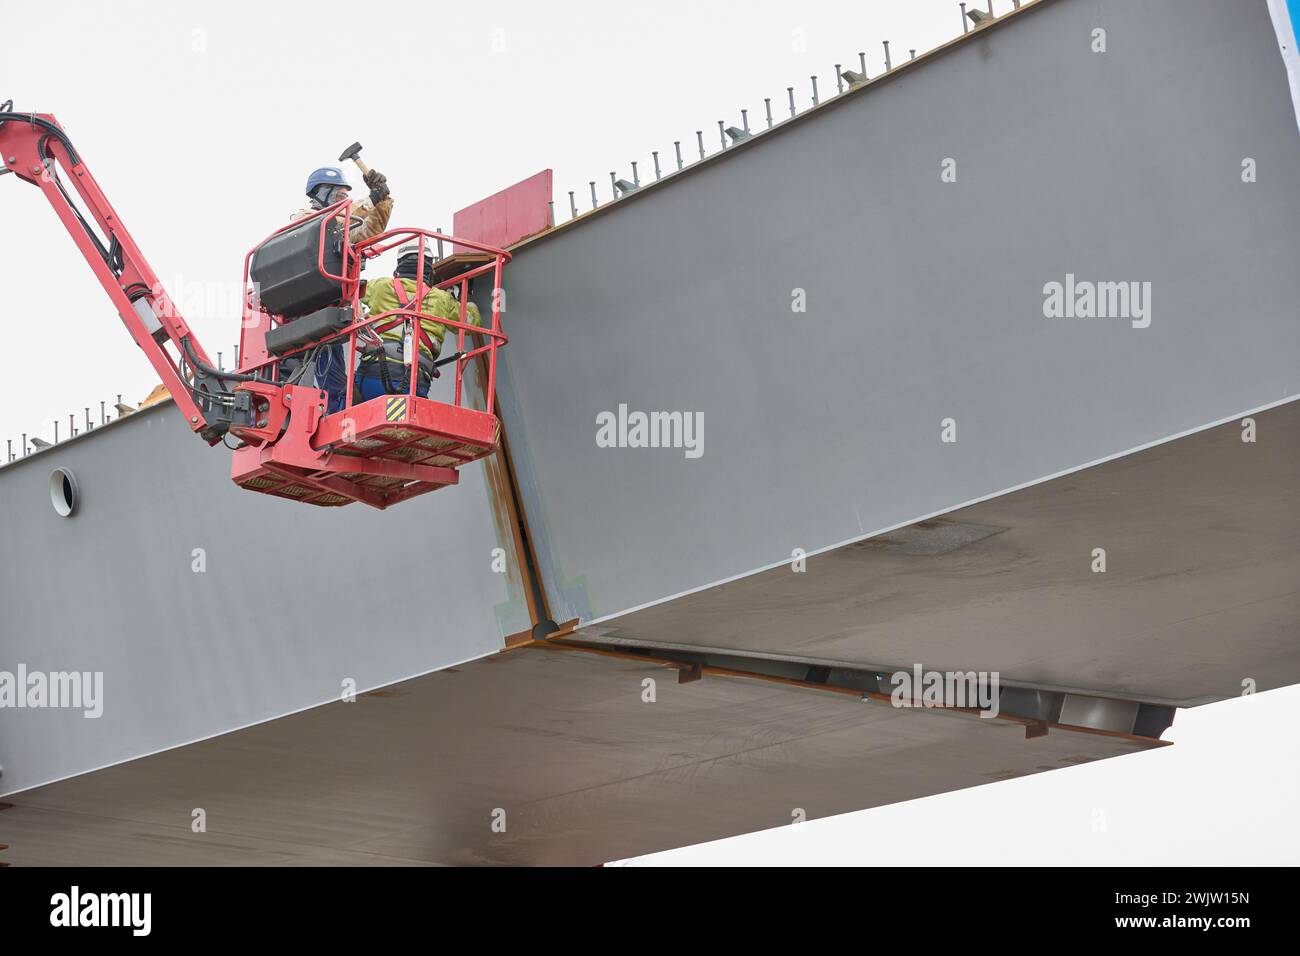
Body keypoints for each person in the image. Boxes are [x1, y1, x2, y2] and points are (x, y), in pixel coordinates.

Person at [354, 242, 482, 402]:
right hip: (415, 378)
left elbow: (350, 291)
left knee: (343, 402)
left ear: (400, 263)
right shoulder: (441, 299)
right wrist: (467, 298)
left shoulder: (380, 286)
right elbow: (471, 322)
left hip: (373, 374)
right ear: (429, 266)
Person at [293, 164, 392, 241]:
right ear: (318, 192)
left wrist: (381, 199)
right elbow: (331, 223)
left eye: (344, 196)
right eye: (339, 195)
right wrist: (371, 200)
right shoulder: (304, 217)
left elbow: (372, 230)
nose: (342, 201)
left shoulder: (342, 231)